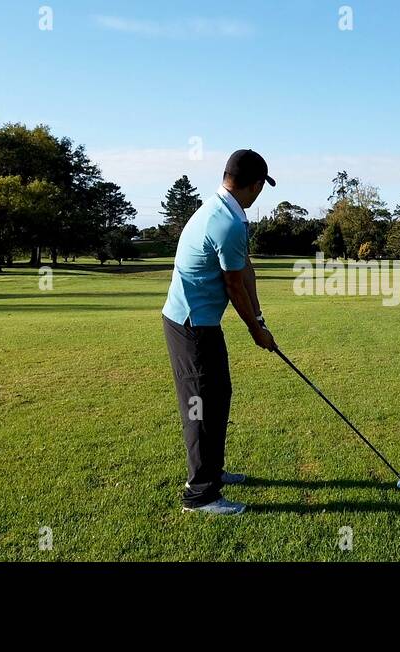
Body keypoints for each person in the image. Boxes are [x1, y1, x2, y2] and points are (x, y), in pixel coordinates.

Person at [162, 149, 277, 515]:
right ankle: (200, 495)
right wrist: (255, 331)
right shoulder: (224, 222)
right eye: (262, 186)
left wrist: (260, 322)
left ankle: (213, 472)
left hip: (202, 323)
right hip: (191, 324)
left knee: (218, 394)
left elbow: (246, 272)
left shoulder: (229, 213)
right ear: (256, 184)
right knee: (199, 405)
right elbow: (233, 285)